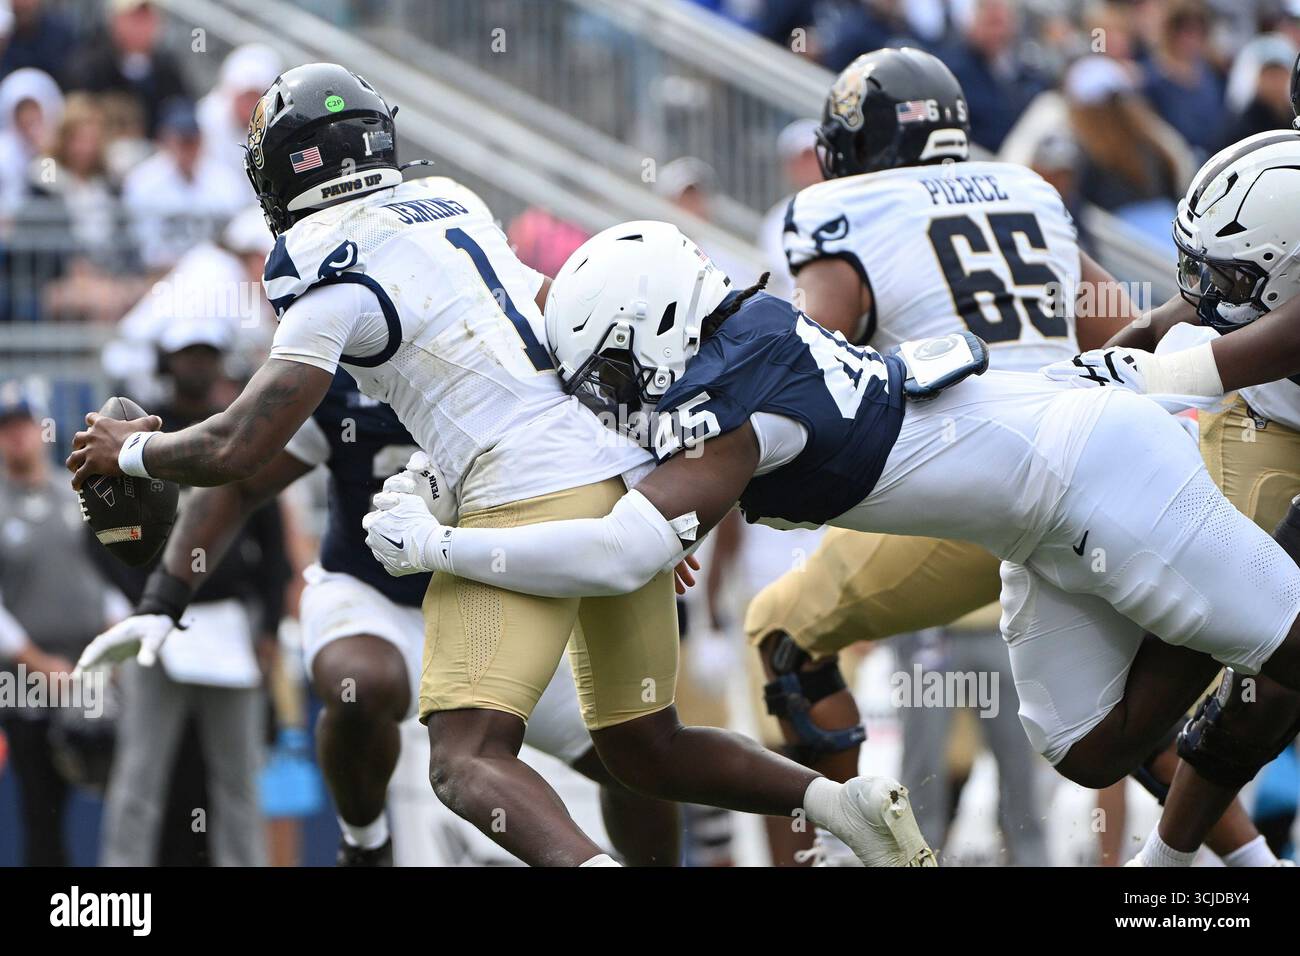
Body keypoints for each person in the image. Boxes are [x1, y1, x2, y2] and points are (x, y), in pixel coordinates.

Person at [68, 63, 935, 868]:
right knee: (646, 745)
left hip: (520, 496)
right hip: (618, 474)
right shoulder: (446, 201)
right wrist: (645, 490)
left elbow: (236, 449)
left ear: (284, 170)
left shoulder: (321, 265)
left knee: (464, 761)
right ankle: (841, 801)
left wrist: (130, 449)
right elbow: (563, 332)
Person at [359, 215, 1300, 841]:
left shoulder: (734, 404)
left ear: (660, 324)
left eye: (611, 366)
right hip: (1046, 507)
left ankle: (1236, 663)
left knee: (1291, 646)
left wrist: (440, 546)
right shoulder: (748, 331)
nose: (609, 393)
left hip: (1094, 471)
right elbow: (637, 490)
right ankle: (1220, 645)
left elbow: (619, 552)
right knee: (1092, 745)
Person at [83, 364, 683, 866]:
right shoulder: (332, 373)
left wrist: (651, 523)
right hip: (373, 594)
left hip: (498, 605)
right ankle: (365, 843)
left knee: (634, 754)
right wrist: (165, 599)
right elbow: (240, 483)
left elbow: (609, 445)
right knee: (360, 686)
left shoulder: (519, 359)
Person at [1046, 129, 1300, 866]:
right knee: (1263, 679)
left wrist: (1141, 378)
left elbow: (1276, 339)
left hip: (1263, 429)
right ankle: (1181, 863)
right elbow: (1202, 311)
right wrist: (1146, 335)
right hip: (1270, 430)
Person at [95, 318, 290, 867]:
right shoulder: (134, 438)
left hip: (230, 626)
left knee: (239, 776)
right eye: (187, 354)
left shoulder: (236, 437)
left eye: (206, 354)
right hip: (155, 626)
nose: (196, 365)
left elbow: (274, 545)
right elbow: (100, 532)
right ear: (166, 359)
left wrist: (271, 626)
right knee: (139, 772)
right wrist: (137, 601)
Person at [0, 380, 121, 866]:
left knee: (122, 802)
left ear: (44, 428)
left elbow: (112, 576)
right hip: (25, 684)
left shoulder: (80, 492)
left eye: (24, 424)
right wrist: (33, 661)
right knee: (42, 813)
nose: (16, 437)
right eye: (6, 428)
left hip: (96, 675)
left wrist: (115, 650)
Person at [66, 0, 190, 138]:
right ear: (114, 20)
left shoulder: (168, 69)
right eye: (133, 18)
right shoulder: (89, 67)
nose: (140, 26)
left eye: (146, 18)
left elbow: (181, 115)